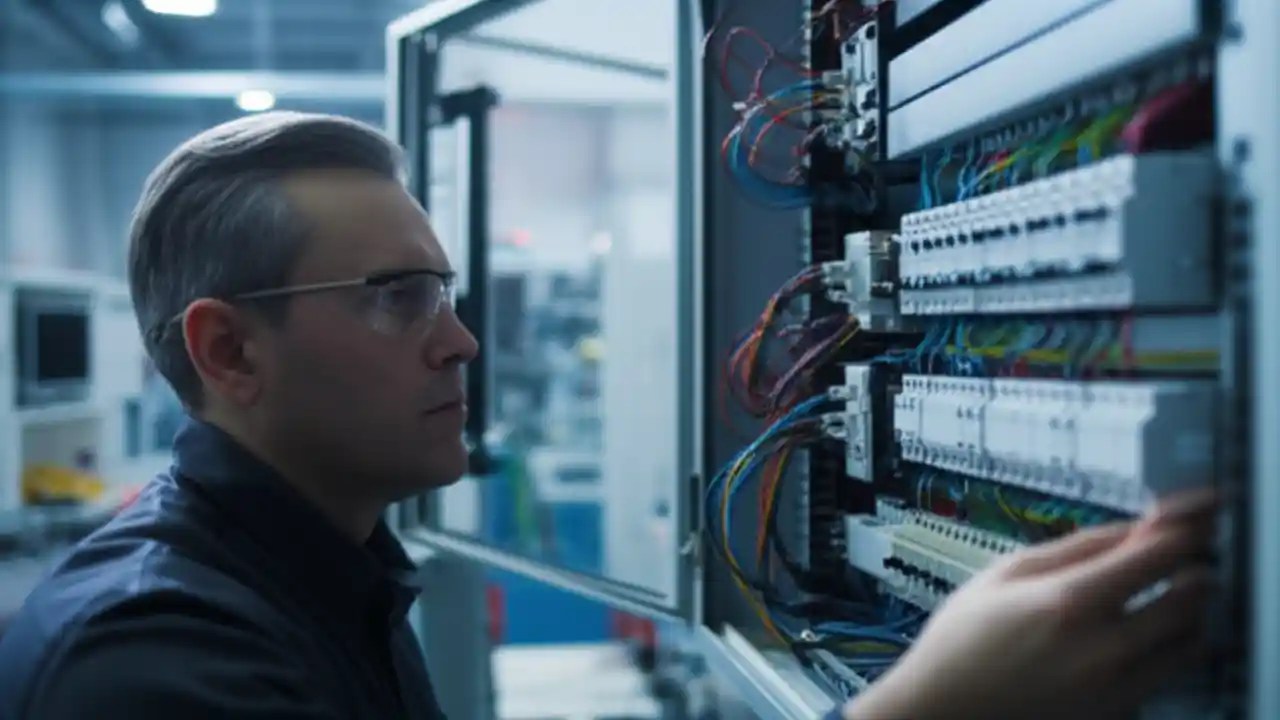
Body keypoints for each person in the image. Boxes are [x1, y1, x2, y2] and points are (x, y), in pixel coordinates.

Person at [0, 112, 1214, 720]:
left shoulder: (315, 573)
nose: (460, 339)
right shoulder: (158, 660)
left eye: (448, 292)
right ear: (226, 348)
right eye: (398, 298)